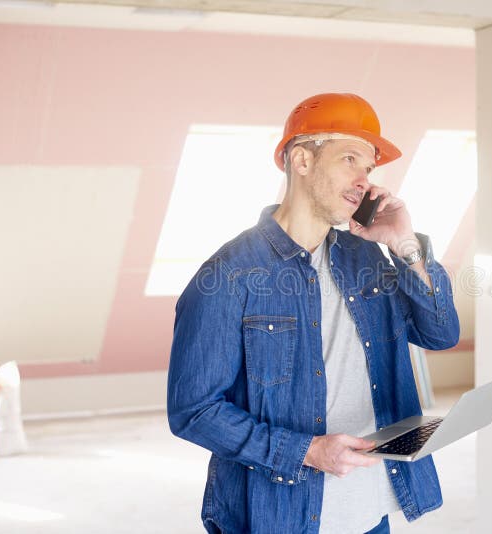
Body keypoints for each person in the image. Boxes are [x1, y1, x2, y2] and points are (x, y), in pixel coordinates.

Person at [167, 93, 460, 534]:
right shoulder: (229, 275)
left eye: (369, 169)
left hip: (370, 512)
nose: (363, 181)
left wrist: (405, 245)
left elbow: (440, 333)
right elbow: (193, 411)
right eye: (349, 159)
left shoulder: (367, 257)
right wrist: (307, 451)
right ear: (301, 160)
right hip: (281, 518)